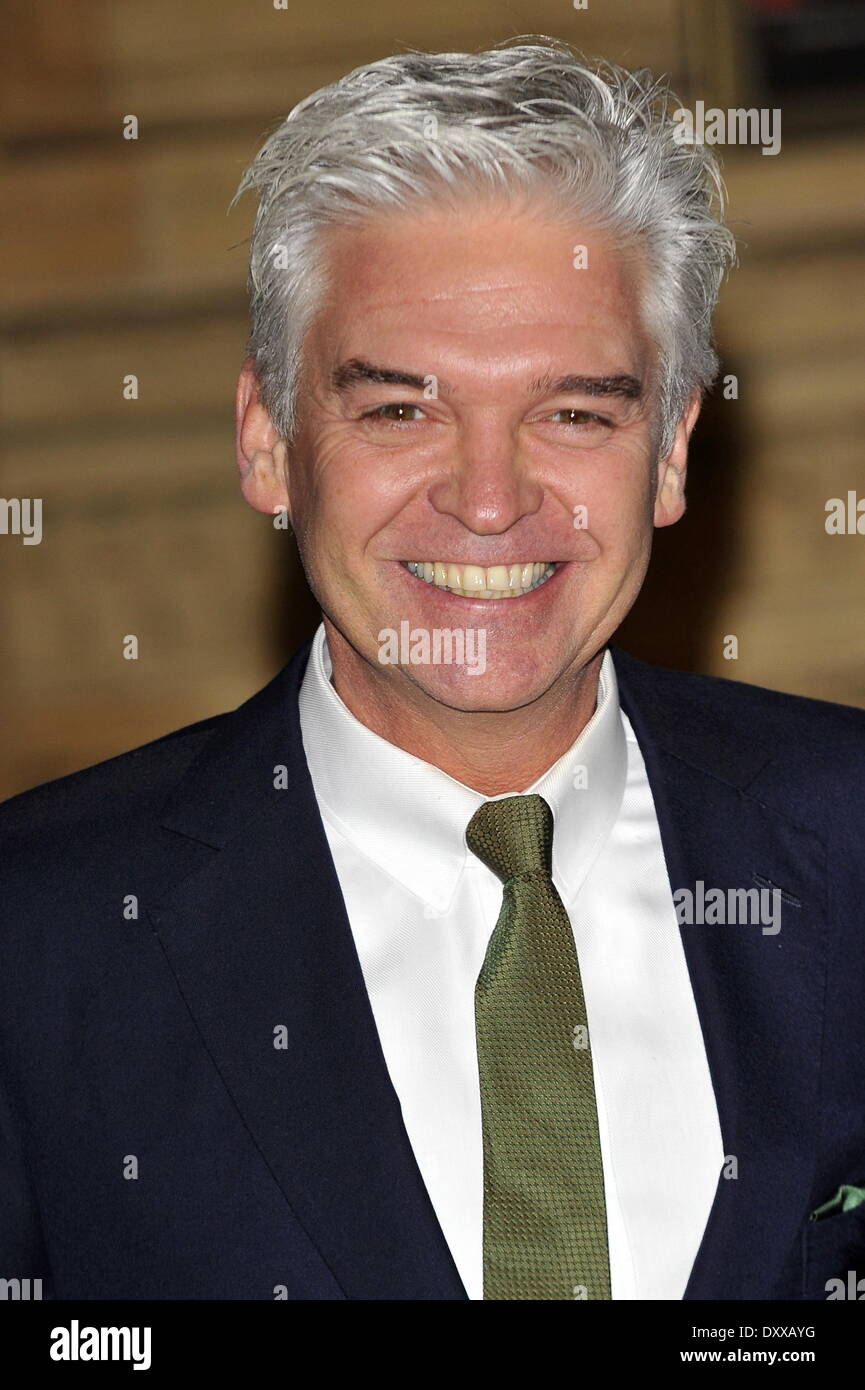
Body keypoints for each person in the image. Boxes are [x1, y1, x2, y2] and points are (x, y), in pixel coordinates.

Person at [1, 38, 863, 1302]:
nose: (488, 500)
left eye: (575, 411)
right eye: (400, 409)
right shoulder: (39, 942)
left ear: (671, 452)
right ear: (268, 442)